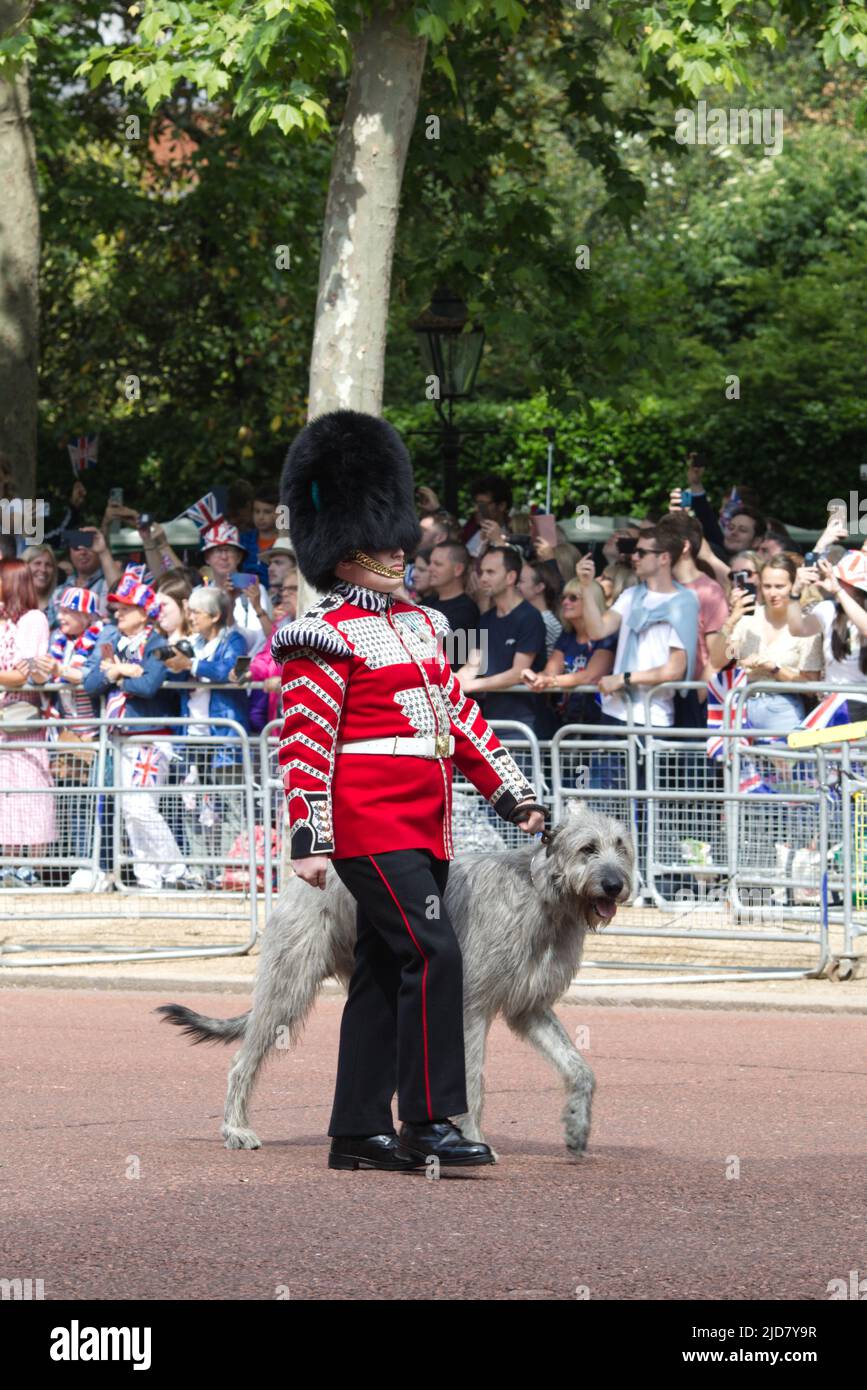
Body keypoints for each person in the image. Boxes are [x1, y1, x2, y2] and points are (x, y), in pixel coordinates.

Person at [277, 410, 544, 1173]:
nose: (401, 551)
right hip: (365, 819)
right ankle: (429, 1118)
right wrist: (309, 833)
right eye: (382, 541)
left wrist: (512, 795)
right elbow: (305, 740)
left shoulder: (422, 627)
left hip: (424, 820)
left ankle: (358, 1131)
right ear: (342, 549)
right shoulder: (319, 633)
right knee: (435, 952)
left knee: (384, 965)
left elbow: (457, 720)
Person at [83, 571, 199, 890]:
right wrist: (120, 671)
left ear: (143, 612)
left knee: (139, 806)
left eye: (125, 607)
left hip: (151, 735)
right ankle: (149, 877)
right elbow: (91, 683)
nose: (117, 612)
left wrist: (117, 673)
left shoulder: (157, 643)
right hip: (121, 735)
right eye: (116, 607)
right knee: (129, 808)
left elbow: (149, 685)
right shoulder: (114, 642)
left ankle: (178, 871)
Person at [163, 585, 250, 878]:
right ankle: (201, 869)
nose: (192, 617)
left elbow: (229, 671)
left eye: (196, 612)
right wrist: (174, 662)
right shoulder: (193, 642)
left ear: (214, 616)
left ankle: (231, 871)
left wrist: (192, 664)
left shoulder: (234, 640)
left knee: (229, 803)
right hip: (192, 735)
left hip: (224, 735)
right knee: (192, 804)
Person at [577, 528, 699, 730]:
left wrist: (624, 679)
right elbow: (597, 631)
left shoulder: (684, 603)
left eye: (642, 553)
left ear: (664, 558)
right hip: (613, 711)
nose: (634, 557)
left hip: (652, 718)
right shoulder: (630, 595)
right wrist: (586, 587)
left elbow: (674, 670)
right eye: (635, 551)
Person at [711, 555, 823, 732]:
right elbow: (718, 661)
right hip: (743, 704)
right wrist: (731, 621)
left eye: (780, 586)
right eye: (767, 586)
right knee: (739, 760)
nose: (772, 593)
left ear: (793, 586)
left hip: (784, 708)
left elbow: (811, 687)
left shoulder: (805, 626)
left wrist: (773, 667)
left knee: (784, 759)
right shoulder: (747, 620)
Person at [0, 559, 56, 882]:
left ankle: (30, 866)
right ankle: (6, 861)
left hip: (23, 719)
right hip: (4, 721)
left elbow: (24, 672)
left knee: (30, 789)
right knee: (5, 792)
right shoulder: (3, 622)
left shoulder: (33, 619)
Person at [457, 545, 548, 736]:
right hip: (491, 721)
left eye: (490, 572)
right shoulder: (487, 618)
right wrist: (451, 681)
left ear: (510, 577)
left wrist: (472, 685)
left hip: (523, 723)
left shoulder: (530, 617)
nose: (483, 578)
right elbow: (473, 666)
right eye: (482, 572)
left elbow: (519, 672)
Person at [522, 579, 615, 726]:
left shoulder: (608, 636)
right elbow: (550, 671)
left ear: (592, 602)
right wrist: (537, 678)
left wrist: (549, 681)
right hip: (568, 720)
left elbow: (590, 676)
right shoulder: (567, 635)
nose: (565, 602)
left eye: (573, 598)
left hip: (598, 724)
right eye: (563, 597)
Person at [200, 520, 273, 654]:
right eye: (217, 551)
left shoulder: (254, 591)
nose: (224, 556)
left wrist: (231, 602)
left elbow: (259, 641)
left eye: (229, 550)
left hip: (246, 670)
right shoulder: (200, 595)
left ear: (239, 557)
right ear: (207, 558)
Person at [249, 573, 298, 733]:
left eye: (293, 589)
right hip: (280, 715)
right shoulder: (282, 624)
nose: (284, 593)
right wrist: (249, 671)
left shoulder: (322, 624)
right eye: (283, 589)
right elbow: (265, 658)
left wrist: (286, 682)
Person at [425, 541, 480, 669]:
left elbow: (434, 642)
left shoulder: (466, 610)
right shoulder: (427, 603)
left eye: (437, 564)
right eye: (430, 563)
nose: (430, 568)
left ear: (458, 569)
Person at [461, 474, 513, 558]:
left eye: (482, 505)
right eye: (476, 503)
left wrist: (498, 540)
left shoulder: (514, 531)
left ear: (502, 506)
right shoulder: (470, 528)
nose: (477, 509)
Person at [518, 559, 562, 656]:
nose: (516, 586)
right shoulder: (533, 617)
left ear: (539, 588)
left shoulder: (545, 622)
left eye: (520, 581)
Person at [22, 543, 60, 630]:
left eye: (48, 565)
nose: (43, 569)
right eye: (37, 563)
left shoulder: (59, 603)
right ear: (24, 567)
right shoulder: (13, 602)